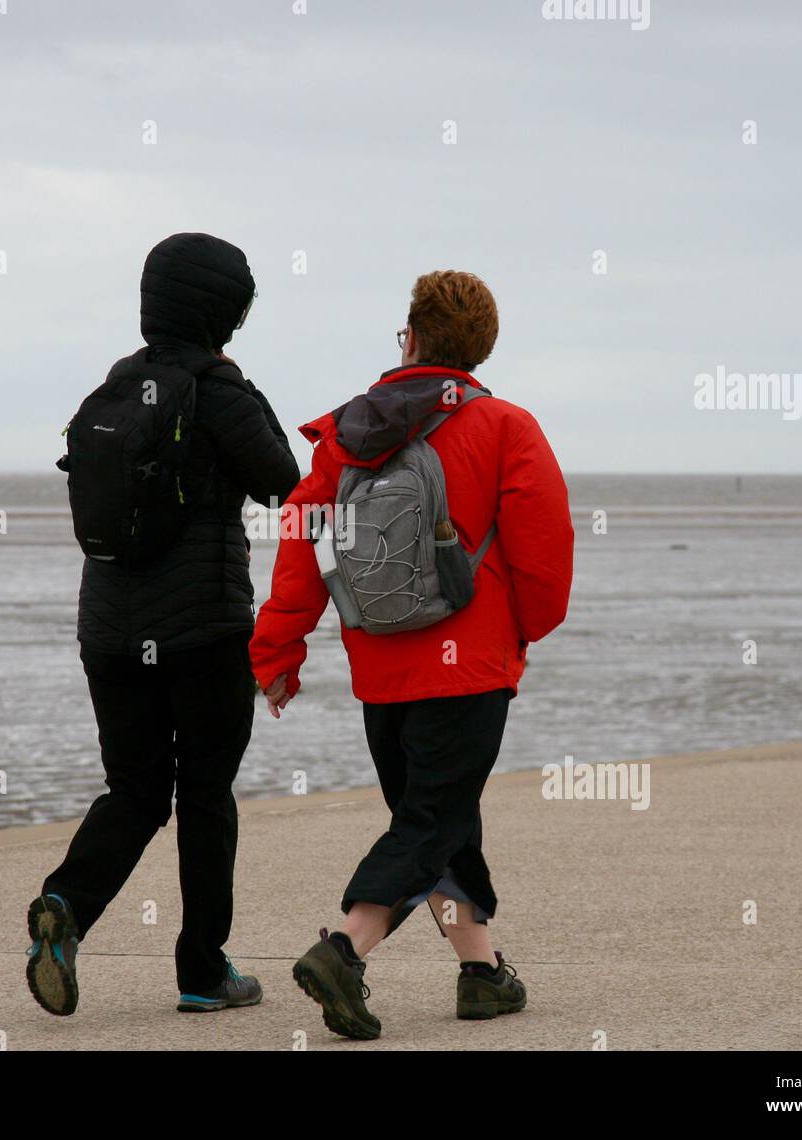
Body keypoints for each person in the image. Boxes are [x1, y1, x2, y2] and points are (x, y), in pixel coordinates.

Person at [250, 270, 574, 1040]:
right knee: (431, 819)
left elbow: (301, 544)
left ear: (412, 337)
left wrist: (279, 649)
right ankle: (344, 950)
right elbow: (544, 558)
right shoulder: (506, 428)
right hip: (469, 670)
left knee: (437, 820)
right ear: (481, 351)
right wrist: (520, 635)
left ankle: (482, 974)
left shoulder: (348, 434)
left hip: (380, 667)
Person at [26, 233, 300, 1017]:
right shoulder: (217, 390)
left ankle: (65, 905)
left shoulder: (113, 388)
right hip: (204, 632)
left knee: (137, 789)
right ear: (225, 309)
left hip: (108, 632)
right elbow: (287, 485)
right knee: (205, 794)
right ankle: (203, 970)